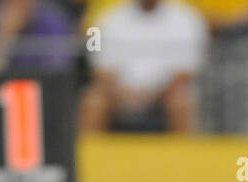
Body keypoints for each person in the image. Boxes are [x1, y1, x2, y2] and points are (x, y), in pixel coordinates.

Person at [79, 0, 208, 132]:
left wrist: (155, 95)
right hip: (117, 92)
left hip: (166, 93)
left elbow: (186, 71)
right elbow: (101, 67)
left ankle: (183, 151)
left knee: (181, 101)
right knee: (94, 101)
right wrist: (122, 93)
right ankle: (89, 151)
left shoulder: (187, 18)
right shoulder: (110, 16)